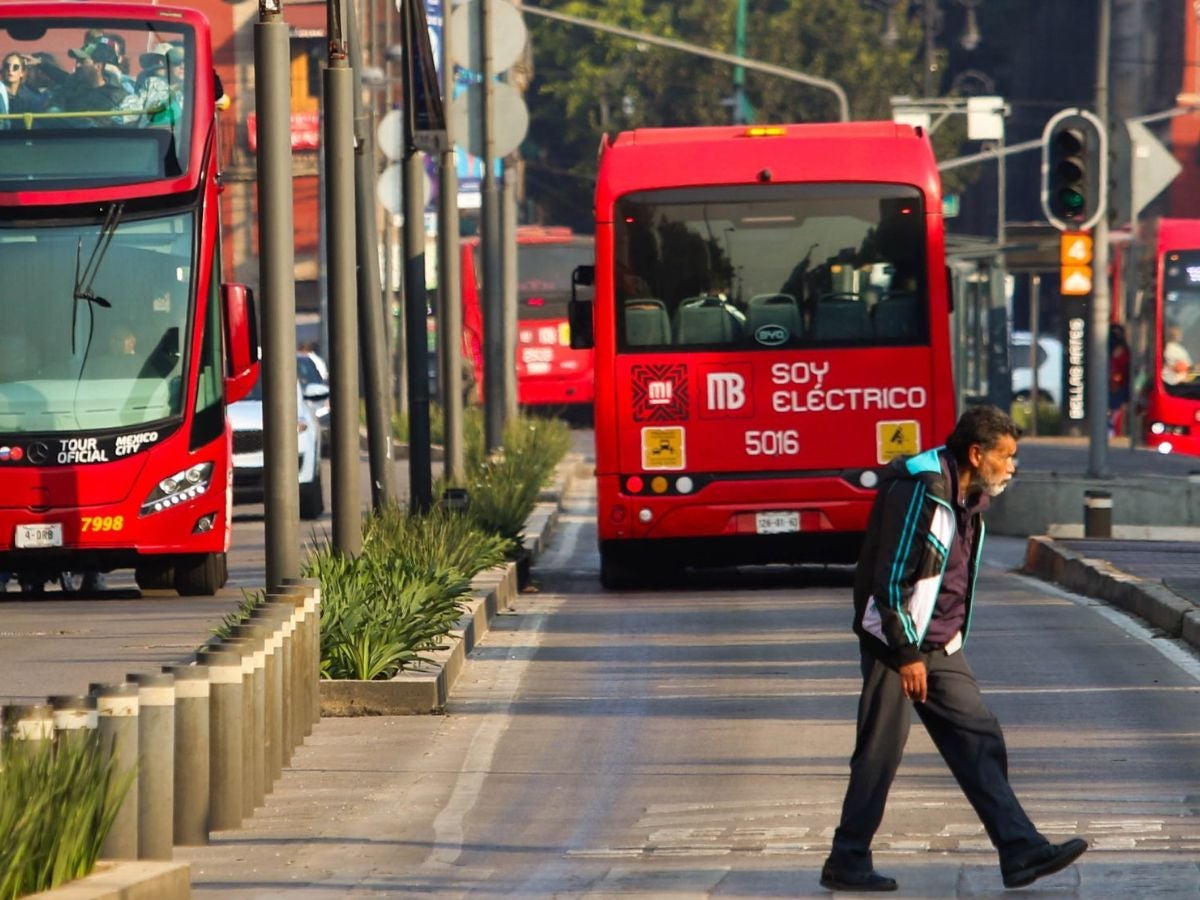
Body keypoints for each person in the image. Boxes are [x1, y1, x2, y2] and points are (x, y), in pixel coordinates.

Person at [821, 405, 1088, 893]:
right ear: (975, 453)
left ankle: (1019, 848)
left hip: (940, 641)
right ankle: (847, 858)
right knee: (880, 754)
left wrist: (936, 642)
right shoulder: (921, 490)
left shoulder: (969, 498)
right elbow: (891, 575)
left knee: (979, 738)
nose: (1012, 467)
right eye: (1006, 457)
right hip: (894, 640)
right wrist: (904, 654)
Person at [2, 52, 48, 117]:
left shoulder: (31, 98)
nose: (10, 70)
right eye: (7, 66)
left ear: (22, 73)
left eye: (15, 67)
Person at [1108, 323, 1131, 435]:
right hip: (1115, 384)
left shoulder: (1121, 350)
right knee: (1113, 408)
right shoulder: (1119, 350)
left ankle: (1111, 429)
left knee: (1114, 408)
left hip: (1118, 384)